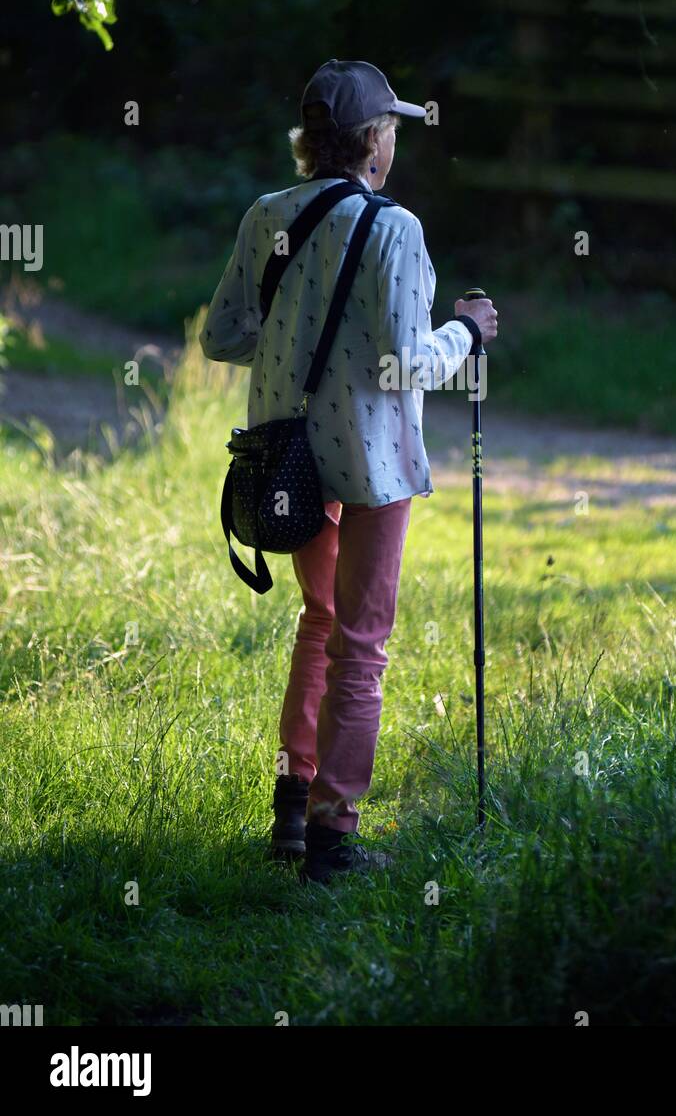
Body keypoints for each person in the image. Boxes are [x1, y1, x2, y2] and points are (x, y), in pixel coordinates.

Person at [200, 59, 498, 882]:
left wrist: (296, 343)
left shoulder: (267, 216)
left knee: (320, 623)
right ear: (374, 139)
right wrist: (467, 330)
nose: (394, 139)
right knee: (361, 644)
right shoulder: (394, 229)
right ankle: (335, 835)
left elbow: (222, 337)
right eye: (392, 126)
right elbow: (406, 365)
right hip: (371, 463)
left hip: (290, 454)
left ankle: (292, 803)